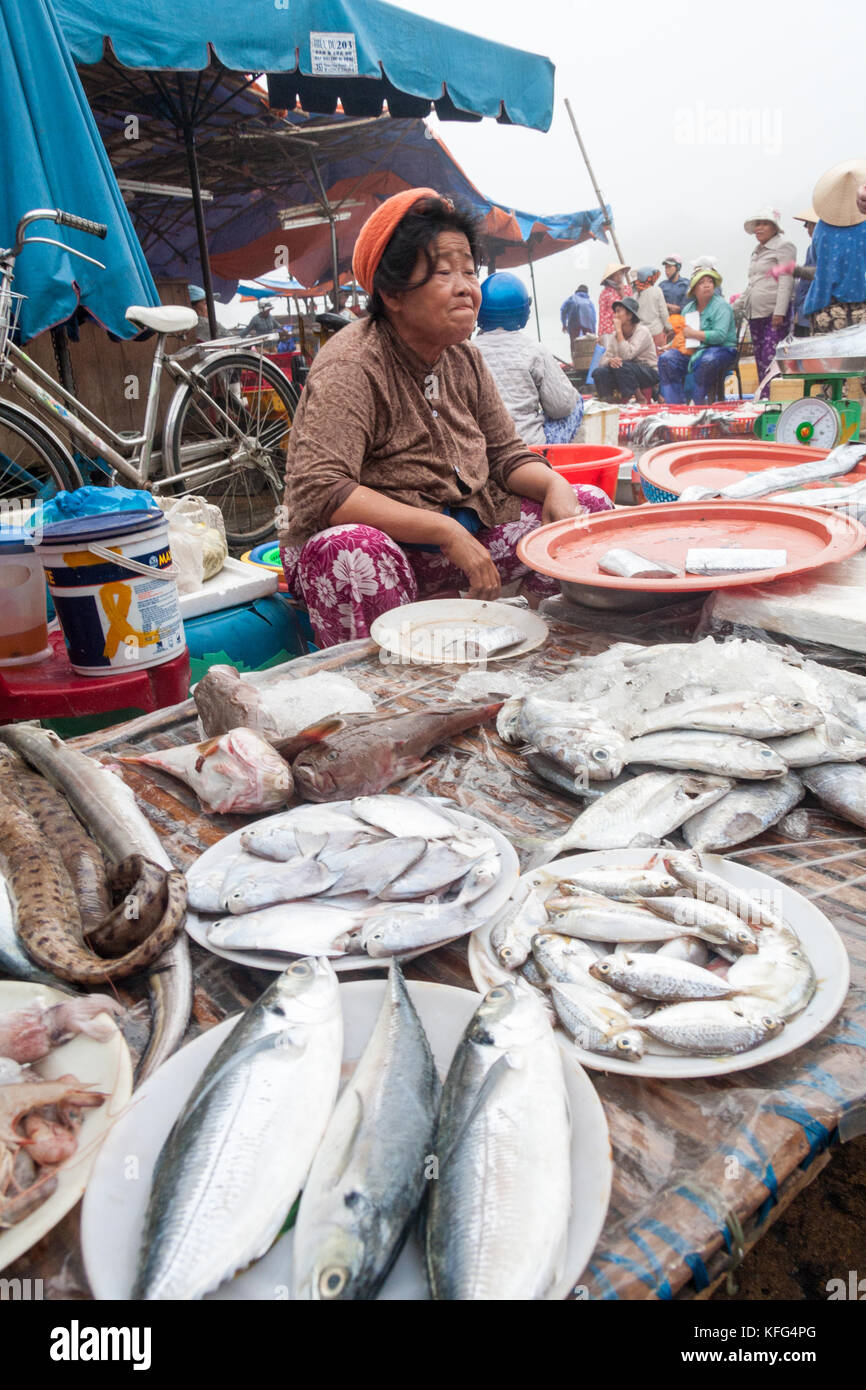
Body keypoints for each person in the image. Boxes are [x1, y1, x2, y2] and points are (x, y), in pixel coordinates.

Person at [279, 188, 613, 648]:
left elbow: (506, 455)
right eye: (443, 272)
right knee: (351, 552)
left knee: (586, 507)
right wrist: (444, 530)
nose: (465, 288)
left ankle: (544, 654)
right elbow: (322, 490)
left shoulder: (465, 358)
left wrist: (555, 485)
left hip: (454, 534)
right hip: (374, 549)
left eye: (469, 272)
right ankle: (379, 684)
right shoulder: (353, 364)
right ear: (393, 293)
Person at [474, 272, 584, 446]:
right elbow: (561, 407)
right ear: (523, 311)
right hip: (528, 449)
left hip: (480, 449)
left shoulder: (466, 352)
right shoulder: (534, 350)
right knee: (576, 402)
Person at [800, 159, 866, 334]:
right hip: (862, 305)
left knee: (829, 352)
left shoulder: (821, 228)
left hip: (825, 308)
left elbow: (815, 263)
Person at [658, 268, 737, 404]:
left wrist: (694, 334)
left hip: (722, 349)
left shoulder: (722, 306)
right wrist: (670, 346)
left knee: (706, 360)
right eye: (702, 283)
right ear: (694, 289)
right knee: (667, 359)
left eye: (710, 282)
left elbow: (720, 336)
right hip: (694, 349)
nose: (707, 285)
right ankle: (675, 405)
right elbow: (682, 335)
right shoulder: (688, 309)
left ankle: (697, 403)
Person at [740, 208, 795, 397]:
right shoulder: (757, 252)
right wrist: (735, 307)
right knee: (760, 359)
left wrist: (780, 311)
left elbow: (786, 280)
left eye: (764, 224)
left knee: (771, 358)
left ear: (774, 227)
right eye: (757, 224)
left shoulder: (783, 246)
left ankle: (771, 398)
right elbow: (753, 283)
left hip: (774, 312)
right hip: (755, 312)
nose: (759, 228)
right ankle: (764, 397)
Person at [592, 296, 659, 403]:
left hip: (647, 372)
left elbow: (627, 355)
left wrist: (619, 331)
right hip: (625, 371)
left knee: (621, 364)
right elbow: (602, 361)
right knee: (599, 372)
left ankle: (640, 398)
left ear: (629, 315)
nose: (615, 315)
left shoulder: (642, 331)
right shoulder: (615, 335)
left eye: (619, 312)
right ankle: (608, 401)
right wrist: (610, 361)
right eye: (615, 312)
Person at [789, 209, 818, 337]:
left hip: (814, 308)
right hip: (804, 308)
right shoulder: (811, 249)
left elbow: (819, 274)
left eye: (810, 225)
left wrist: (796, 271)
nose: (808, 229)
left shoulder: (825, 248)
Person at [633, 266, 672, 349]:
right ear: (650, 278)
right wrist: (670, 328)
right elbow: (664, 313)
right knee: (659, 355)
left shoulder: (635, 294)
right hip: (656, 332)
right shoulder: (657, 291)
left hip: (641, 334)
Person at [560, 284, 596, 354]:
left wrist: (564, 324)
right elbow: (593, 319)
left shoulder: (571, 299)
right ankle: (587, 359)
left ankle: (574, 358)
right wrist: (593, 332)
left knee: (574, 343)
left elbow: (563, 310)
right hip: (588, 326)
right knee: (588, 345)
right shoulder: (589, 302)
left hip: (574, 324)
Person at [598, 262, 630, 337]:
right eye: (616, 275)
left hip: (625, 328)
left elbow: (631, 308)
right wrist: (600, 334)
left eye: (620, 274)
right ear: (611, 277)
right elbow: (602, 314)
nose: (619, 277)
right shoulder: (605, 293)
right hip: (609, 330)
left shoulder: (627, 289)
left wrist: (623, 294)